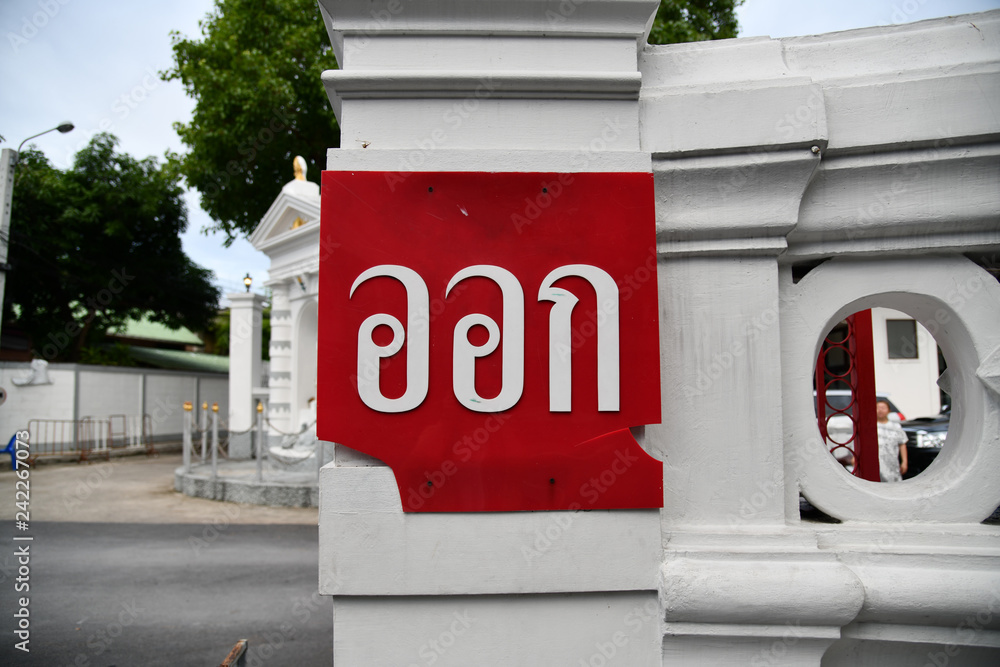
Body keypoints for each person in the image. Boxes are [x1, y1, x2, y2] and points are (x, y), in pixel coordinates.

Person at [876, 398, 908, 482]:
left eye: (883, 408)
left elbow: (902, 444)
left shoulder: (896, 427)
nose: (880, 410)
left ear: (888, 410)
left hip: (892, 461)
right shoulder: (872, 427)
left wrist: (904, 461)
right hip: (877, 461)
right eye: (878, 408)